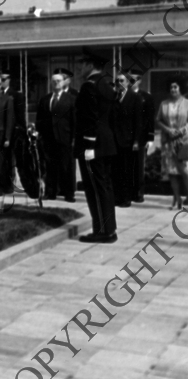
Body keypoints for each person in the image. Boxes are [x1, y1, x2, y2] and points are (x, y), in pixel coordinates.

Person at [75, 51, 117, 244]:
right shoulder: (107, 84)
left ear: (91, 65)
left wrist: (90, 145)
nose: (80, 68)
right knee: (105, 187)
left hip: (93, 145)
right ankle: (109, 229)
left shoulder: (89, 87)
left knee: (95, 189)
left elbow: (90, 118)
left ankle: (102, 231)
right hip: (107, 144)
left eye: (82, 64)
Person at [36, 71, 76, 202]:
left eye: (58, 81)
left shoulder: (70, 99)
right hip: (48, 139)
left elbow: (74, 120)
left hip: (65, 138)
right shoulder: (45, 99)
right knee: (50, 167)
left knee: (66, 167)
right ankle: (50, 192)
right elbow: (39, 119)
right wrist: (40, 134)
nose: (56, 83)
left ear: (64, 82)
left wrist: (74, 138)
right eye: (53, 81)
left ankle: (68, 193)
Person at [155, 76, 188, 210]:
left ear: (180, 88)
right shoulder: (164, 104)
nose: (173, 89)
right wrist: (168, 130)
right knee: (172, 172)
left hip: (184, 142)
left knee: (185, 171)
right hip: (168, 142)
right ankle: (177, 199)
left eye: (175, 87)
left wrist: (182, 130)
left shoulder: (187, 103)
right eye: (171, 87)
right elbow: (158, 120)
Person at [111, 73, 142, 208]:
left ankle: (126, 198)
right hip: (114, 140)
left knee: (127, 170)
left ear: (128, 82)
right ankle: (117, 197)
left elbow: (139, 121)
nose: (119, 82)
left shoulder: (135, 98)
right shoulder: (114, 97)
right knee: (116, 170)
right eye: (117, 80)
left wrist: (136, 141)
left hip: (128, 140)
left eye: (122, 80)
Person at [130, 71, 155, 203]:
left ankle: (139, 193)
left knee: (138, 166)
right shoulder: (123, 95)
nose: (131, 82)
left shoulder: (146, 97)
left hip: (141, 137)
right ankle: (128, 192)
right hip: (126, 137)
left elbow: (150, 119)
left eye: (134, 79)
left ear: (139, 81)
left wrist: (150, 138)